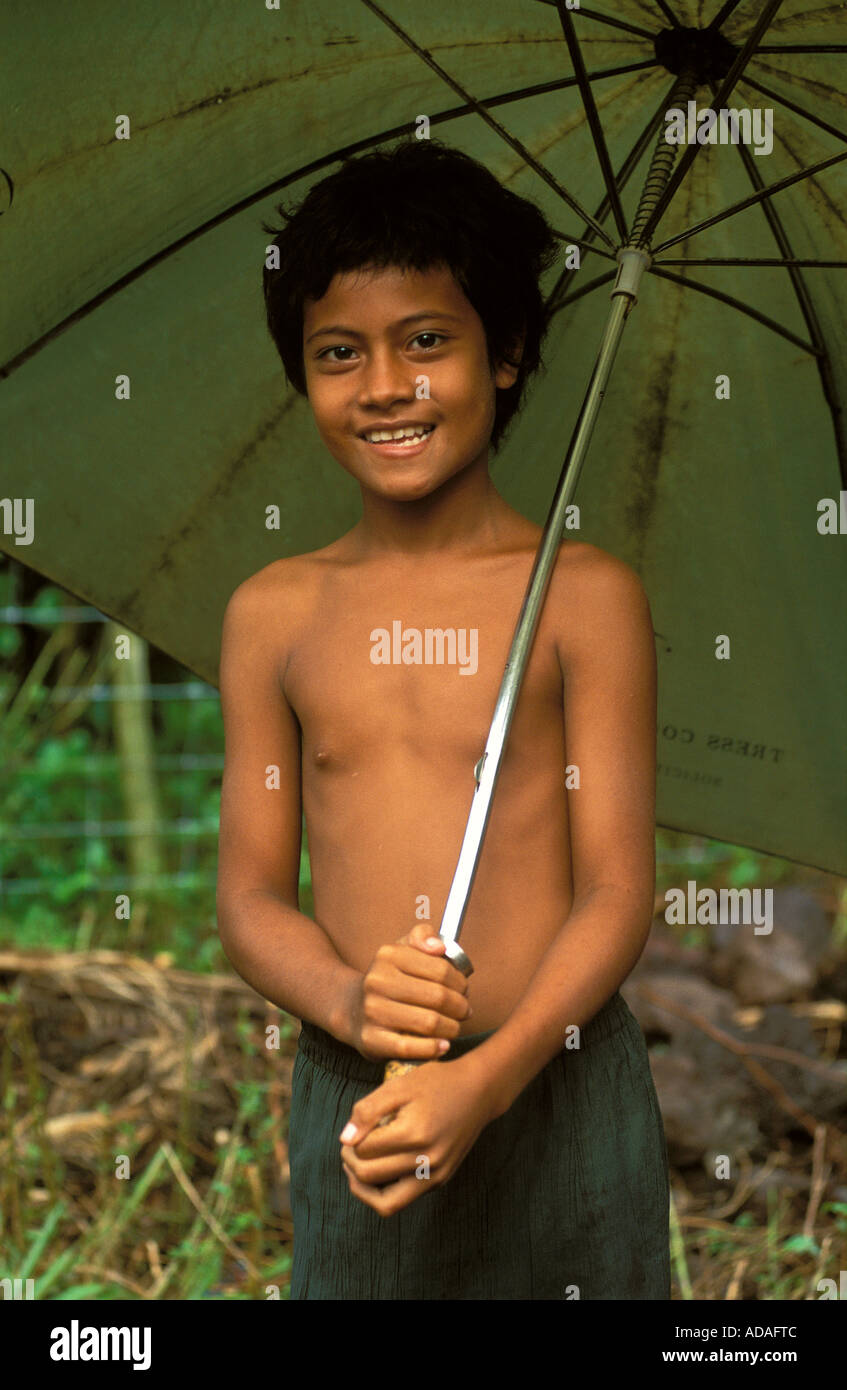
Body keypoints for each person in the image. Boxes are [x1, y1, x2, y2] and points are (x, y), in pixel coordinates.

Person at [216, 138, 670, 1300]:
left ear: (507, 352)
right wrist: (347, 999)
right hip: (364, 1082)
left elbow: (618, 886)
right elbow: (251, 896)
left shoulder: (583, 596)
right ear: (300, 374)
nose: (384, 386)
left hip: (559, 1078)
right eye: (338, 353)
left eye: (427, 340)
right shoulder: (274, 613)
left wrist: (494, 1075)